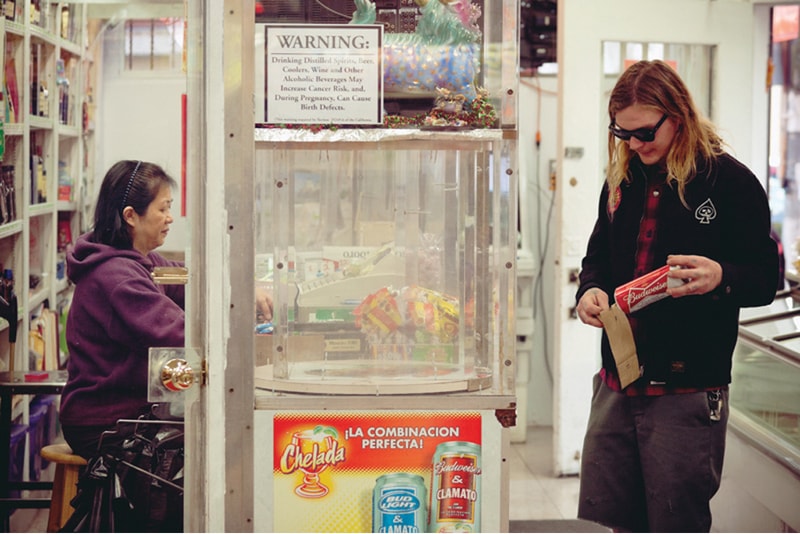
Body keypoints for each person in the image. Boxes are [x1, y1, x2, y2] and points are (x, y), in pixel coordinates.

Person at [575, 60, 779, 533]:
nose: (634, 144)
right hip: (615, 384)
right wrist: (590, 291)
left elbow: (765, 278)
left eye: (645, 132)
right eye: (622, 133)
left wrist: (720, 275)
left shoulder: (730, 182)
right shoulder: (621, 180)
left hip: (687, 395)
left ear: (678, 114)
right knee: (602, 522)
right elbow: (597, 260)